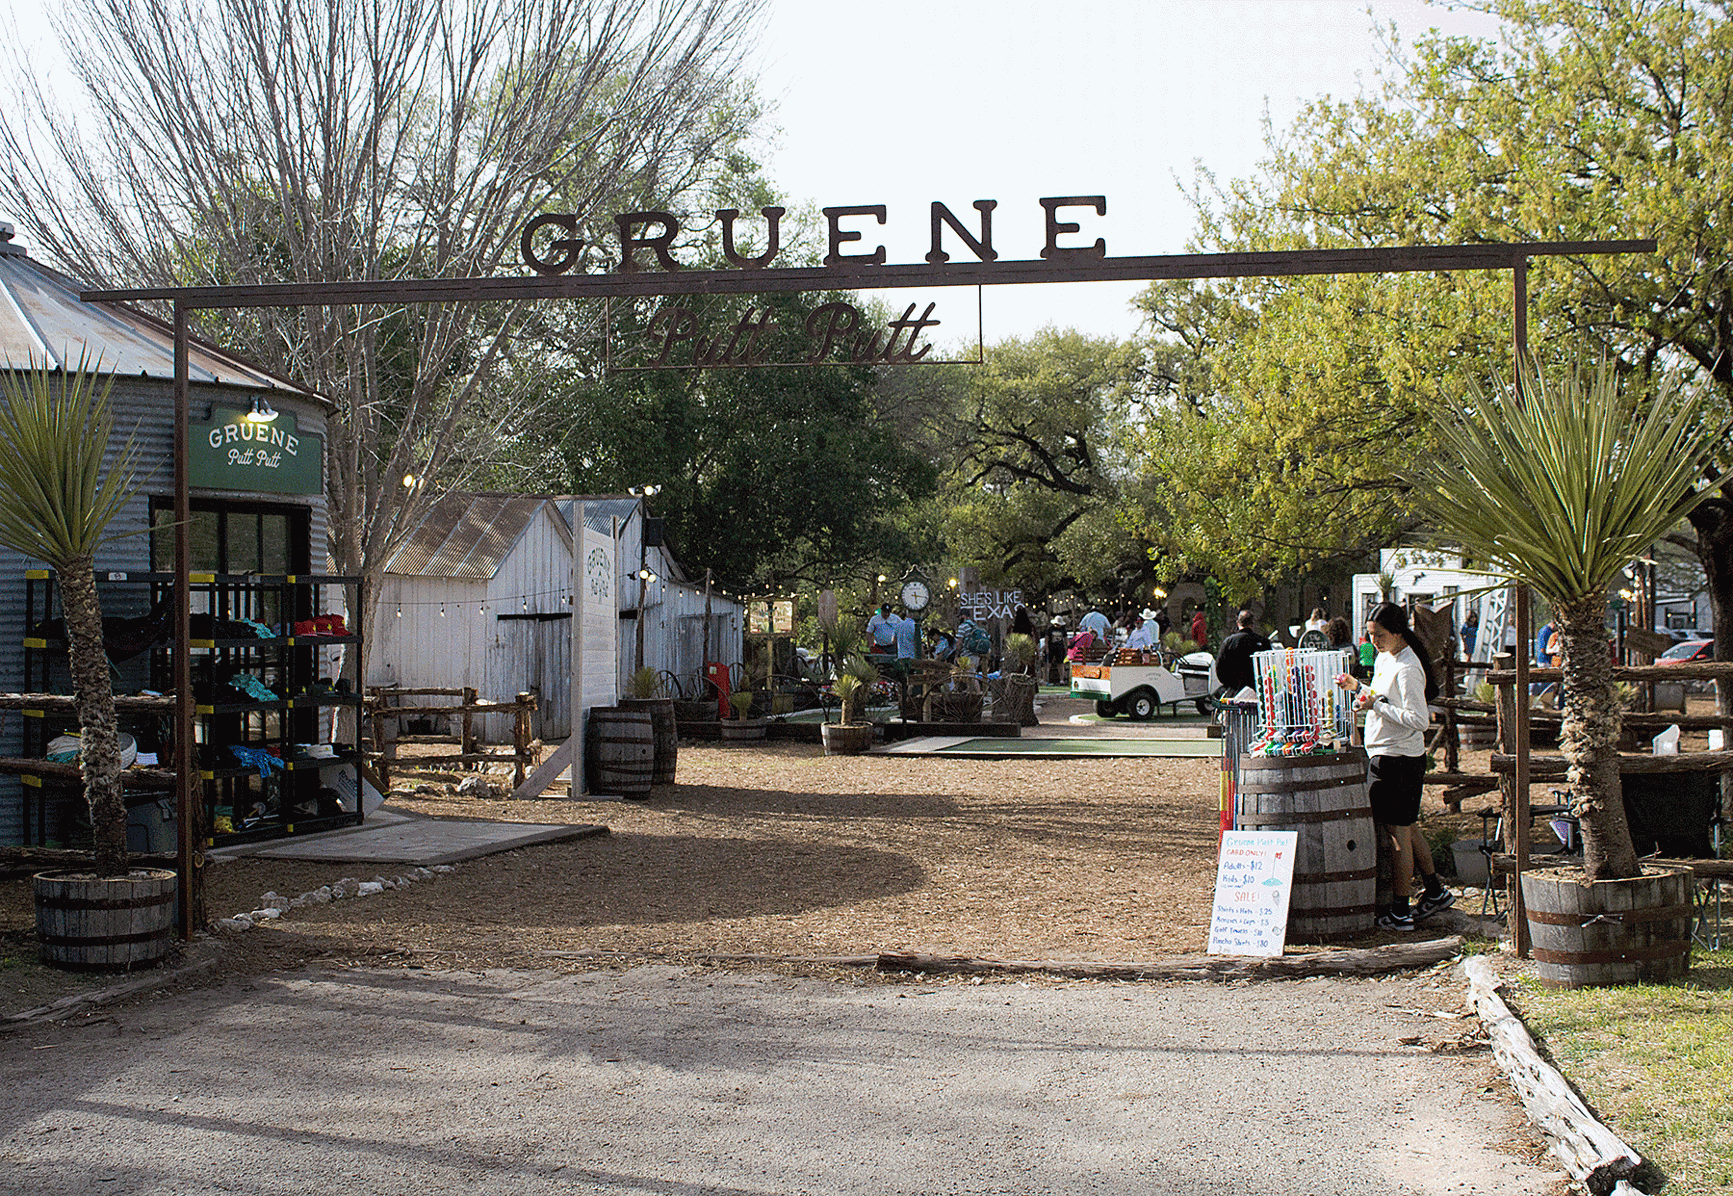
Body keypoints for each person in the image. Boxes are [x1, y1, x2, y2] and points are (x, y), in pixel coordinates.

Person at [1334, 601, 1454, 931]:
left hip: (1398, 758)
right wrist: (1358, 688)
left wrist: (1378, 706)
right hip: (1386, 752)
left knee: (1398, 835)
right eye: (1370, 635)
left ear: (1397, 632)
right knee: (1409, 827)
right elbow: (1382, 697)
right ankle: (1434, 891)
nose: (1374, 642)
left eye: (1380, 635)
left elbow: (1419, 720)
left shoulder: (1408, 668)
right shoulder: (1388, 658)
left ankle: (1401, 910)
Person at [1213, 609, 1270, 696]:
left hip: (1234, 690)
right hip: (1257, 690)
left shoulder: (1229, 642)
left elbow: (1219, 666)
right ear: (1252, 624)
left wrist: (1228, 684)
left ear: (1238, 623)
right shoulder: (1262, 642)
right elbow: (1269, 665)